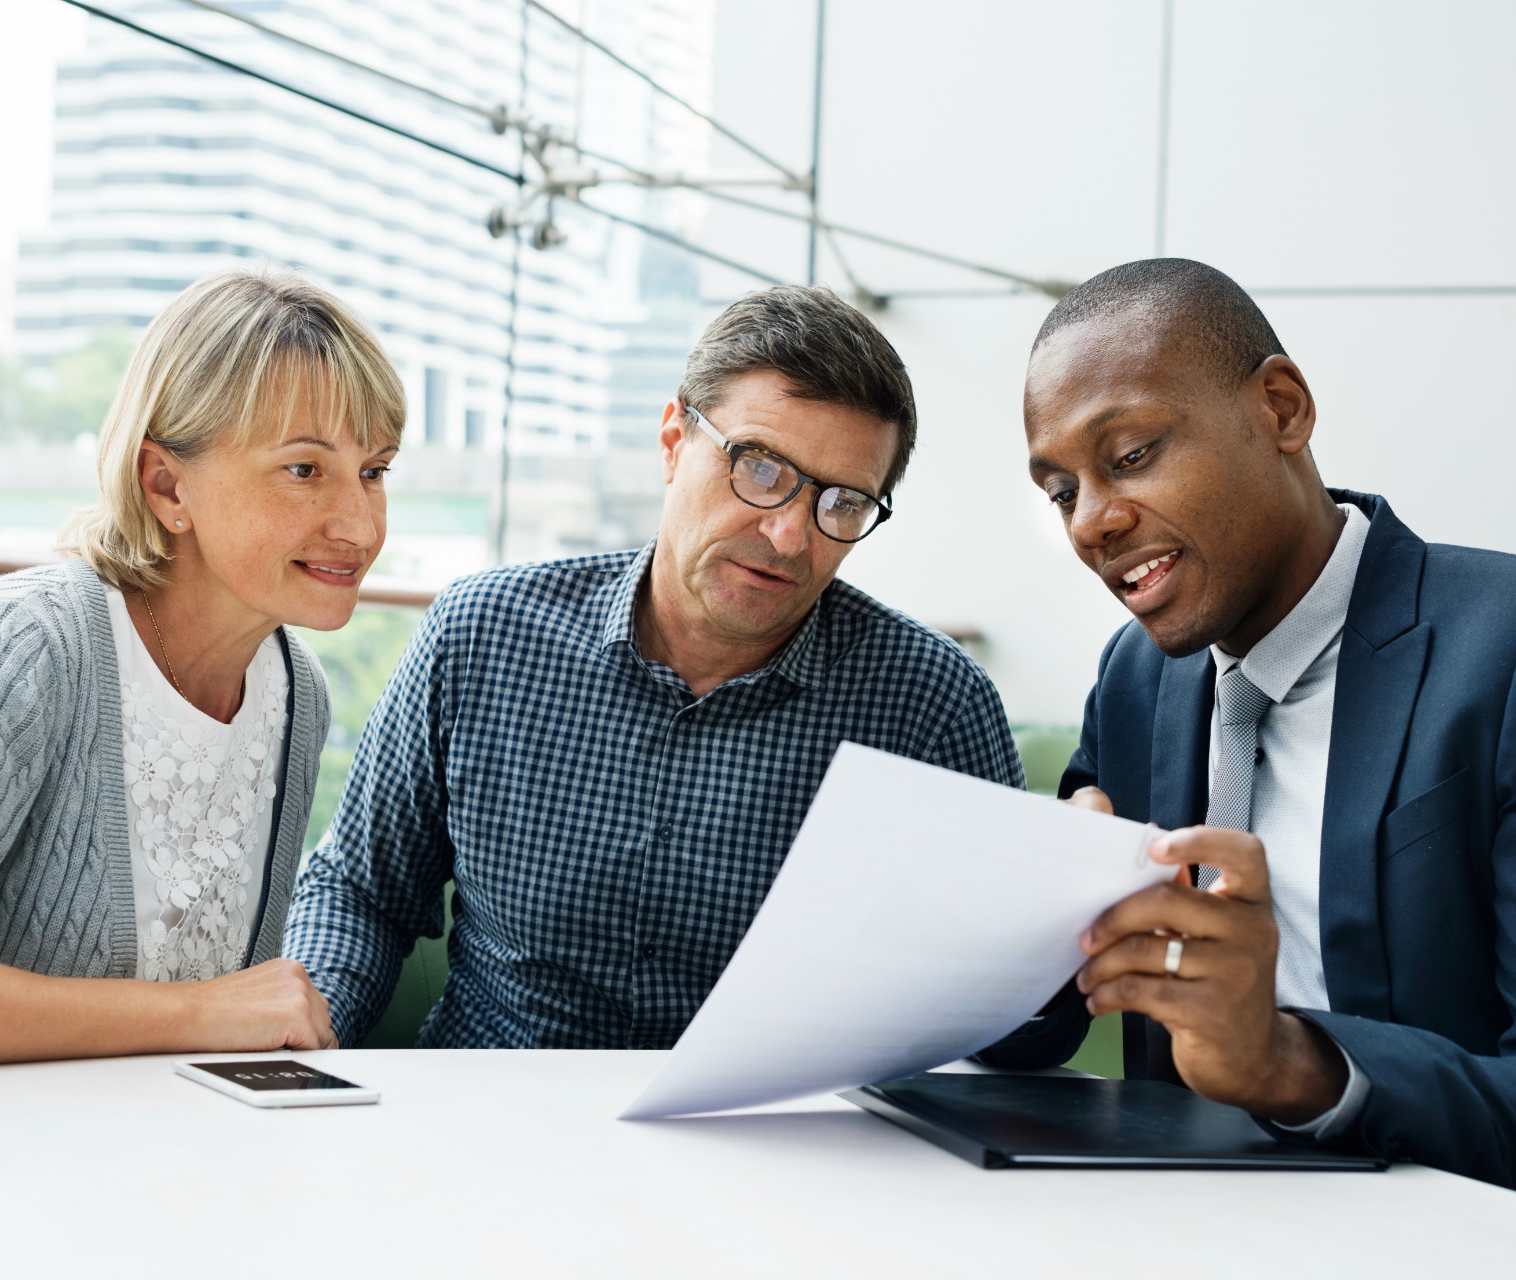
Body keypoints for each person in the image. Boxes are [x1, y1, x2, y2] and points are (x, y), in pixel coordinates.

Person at [1001, 257, 1516, 1243]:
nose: (1092, 521)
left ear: (1283, 409)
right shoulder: (1138, 678)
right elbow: (1046, 1022)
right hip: (1186, 1234)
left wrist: (1293, 1060)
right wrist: (1006, 928)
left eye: (1129, 454)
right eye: (1060, 491)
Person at [285, 284, 1022, 1049]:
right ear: (674, 440)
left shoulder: (931, 704)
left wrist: (1059, 935)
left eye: (841, 505)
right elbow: (360, 893)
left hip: (772, 1149)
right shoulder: (482, 635)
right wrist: (303, 1039)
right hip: (488, 1127)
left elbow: (1005, 1012)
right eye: (761, 468)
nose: (789, 536)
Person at [0, 269, 405, 1069]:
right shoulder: (22, 647)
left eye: (374, 472)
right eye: (304, 470)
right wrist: (193, 1014)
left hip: (151, 1167)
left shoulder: (295, 695)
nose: (360, 526)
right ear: (166, 485)